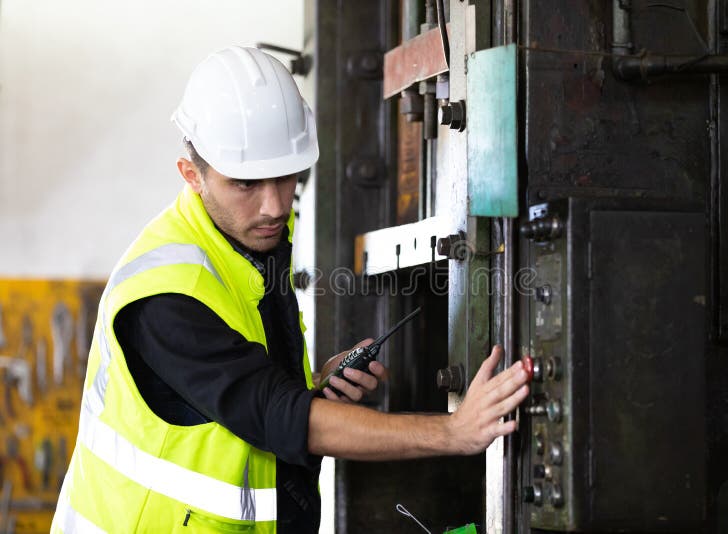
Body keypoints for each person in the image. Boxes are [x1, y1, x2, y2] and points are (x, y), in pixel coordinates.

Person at [51, 46, 531, 534]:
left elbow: (252, 403)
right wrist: (454, 431)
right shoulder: (166, 296)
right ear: (192, 176)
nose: (274, 205)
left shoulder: (247, 242)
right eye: (246, 184)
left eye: (286, 177)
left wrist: (316, 385)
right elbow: (277, 415)